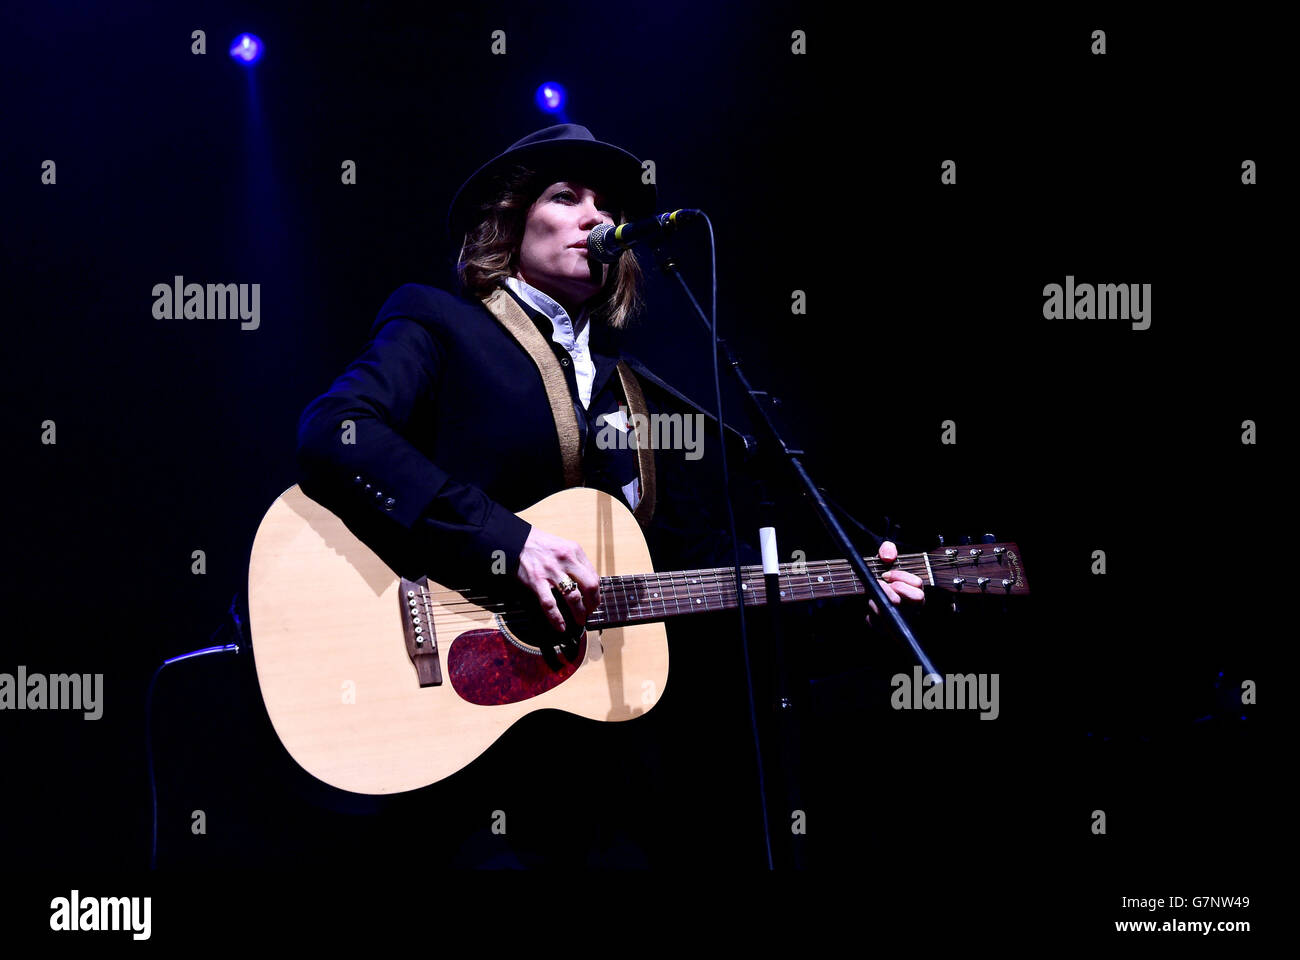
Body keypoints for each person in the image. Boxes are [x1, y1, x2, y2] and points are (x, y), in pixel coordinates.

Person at [294, 123, 923, 865]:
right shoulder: (439, 322)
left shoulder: (638, 392)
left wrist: (846, 597)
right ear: (507, 224)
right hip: (454, 744)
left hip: (599, 773)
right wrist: (508, 543)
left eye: (606, 204)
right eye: (566, 197)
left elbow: (691, 570)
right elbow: (335, 432)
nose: (595, 216)